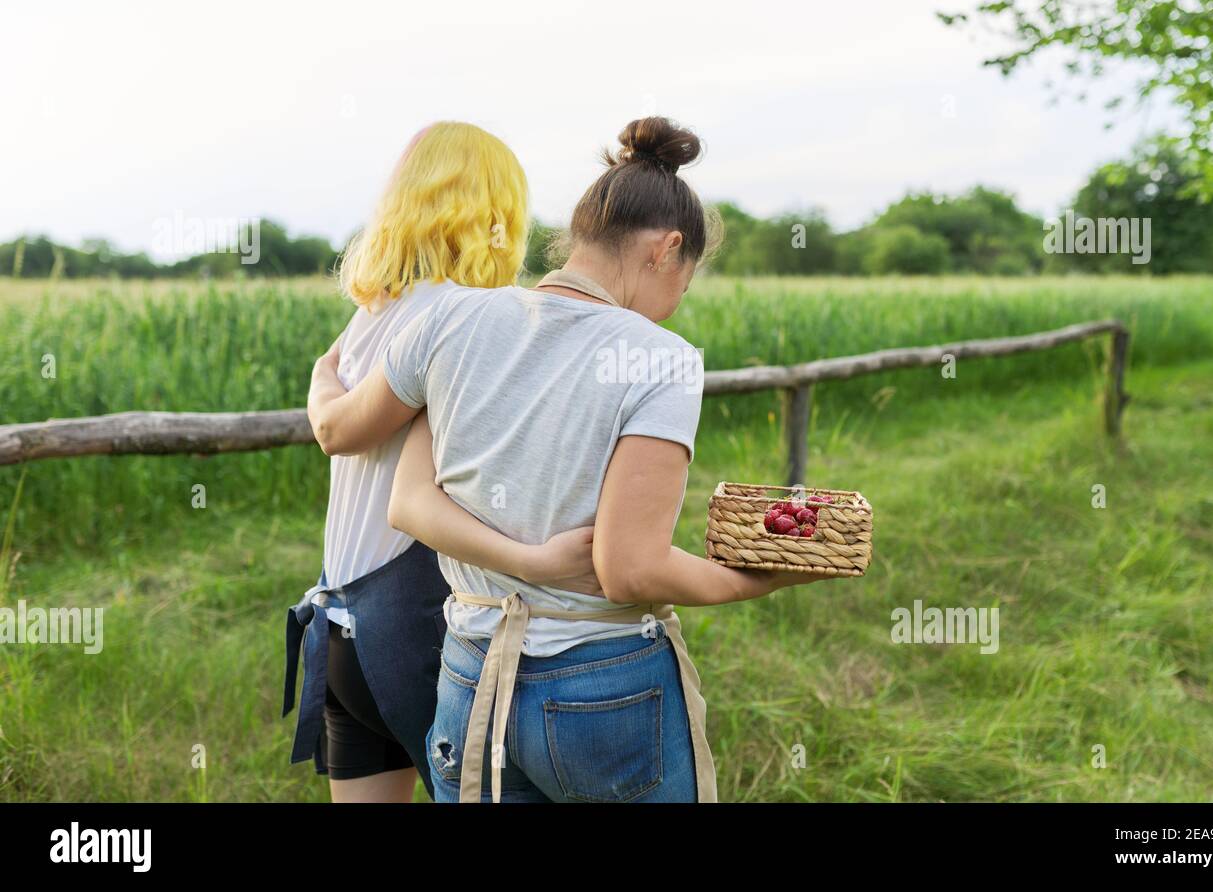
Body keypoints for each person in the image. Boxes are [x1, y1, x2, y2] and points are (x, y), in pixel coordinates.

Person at [307, 117, 824, 802]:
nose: (673, 308)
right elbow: (629, 567)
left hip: (469, 675)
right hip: (600, 685)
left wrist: (523, 561)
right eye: (685, 283)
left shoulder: (447, 320)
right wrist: (749, 582)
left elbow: (408, 502)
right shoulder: (661, 359)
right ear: (668, 249)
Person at [288, 121, 594, 802]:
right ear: (495, 213)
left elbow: (332, 413)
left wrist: (317, 386)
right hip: (421, 628)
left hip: (342, 629)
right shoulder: (467, 317)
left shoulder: (371, 312)